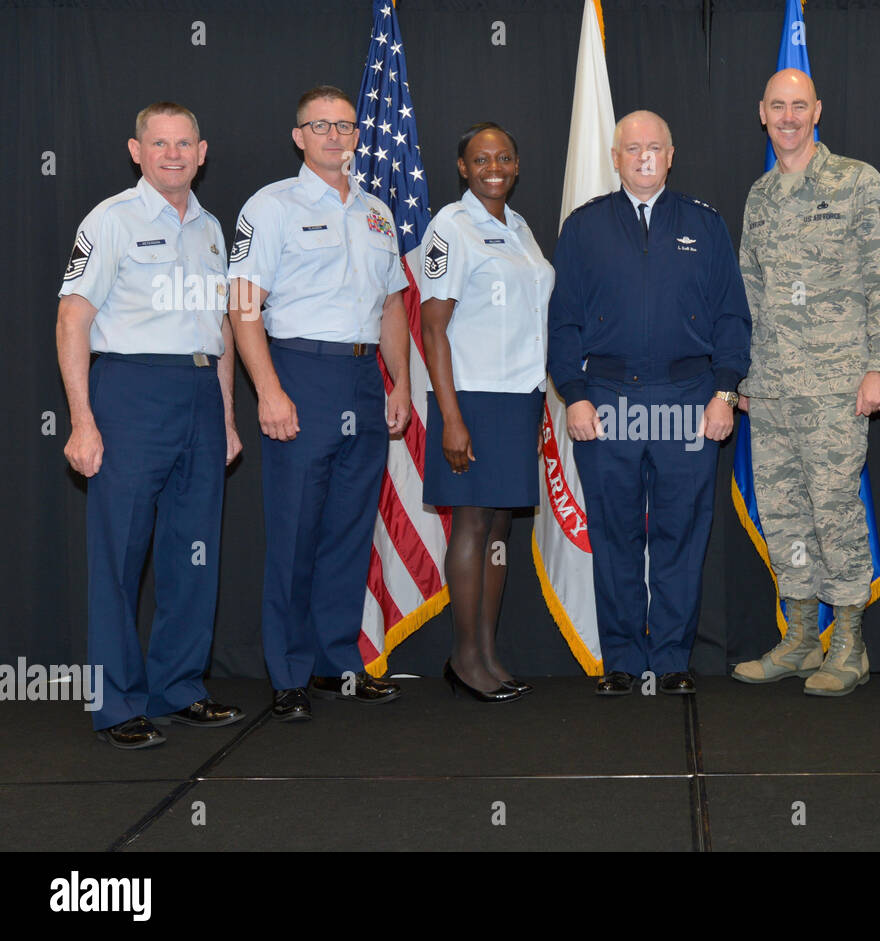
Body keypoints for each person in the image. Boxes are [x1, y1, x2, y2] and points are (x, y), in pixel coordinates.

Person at [57, 102, 243, 748]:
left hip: (198, 393)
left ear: (202, 151)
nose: (172, 153)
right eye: (158, 143)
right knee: (120, 554)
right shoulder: (110, 221)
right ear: (136, 151)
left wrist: (225, 415)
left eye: (183, 143)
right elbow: (72, 321)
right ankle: (116, 704)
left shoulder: (214, 229)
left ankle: (180, 686)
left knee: (193, 551)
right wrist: (82, 419)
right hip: (130, 392)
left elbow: (221, 327)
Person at [548, 110, 751, 696]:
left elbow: (732, 319)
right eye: (631, 147)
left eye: (654, 147)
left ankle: (670, 659)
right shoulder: (583, 228)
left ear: (671, 154)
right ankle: (621, 659)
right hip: (606, 399)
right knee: (614, 535)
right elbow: (563, 324)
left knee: (681, 535)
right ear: (615, 157)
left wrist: (724, 393)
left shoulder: (705, 225)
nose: (643, 156)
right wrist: (576, 395)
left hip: (689, 400)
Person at [229, 85, 412, 722]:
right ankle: (288, 672)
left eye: (346, 125)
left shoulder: (378, 212)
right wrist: (269, 389)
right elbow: (244, 304)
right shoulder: (271, 207)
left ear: (358, 135)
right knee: (295, 530)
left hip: (365, 382)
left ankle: (339, 663)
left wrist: (402, 383)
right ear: (298, 136)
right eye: (321, 126)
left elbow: (391, 304)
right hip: (300, 374)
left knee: (348, 529)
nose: (336, 136)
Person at [731, 69, 880, 696]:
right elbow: (749, 296)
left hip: (838, 386)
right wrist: (745, 379)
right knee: (785, 516)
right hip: (774, 389)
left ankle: (850, 645)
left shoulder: (858, 183)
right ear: (762, 113)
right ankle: (801, 638)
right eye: (777, 106)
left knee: (835, 514)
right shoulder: (759, 196)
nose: (788, 116)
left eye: (799, 106)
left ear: (818, 112)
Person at [416, 123, 552, 704]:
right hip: (470, 397)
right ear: (463, 168)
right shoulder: (451, 226)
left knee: (498, 529)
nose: (492, 166)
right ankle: (464, 657)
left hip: (518, 399)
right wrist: (451, 416)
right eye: (480, 159)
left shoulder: (518, 228)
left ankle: (487, 653)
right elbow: (433, 327)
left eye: (503, 157)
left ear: (516, 166)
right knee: (472, 524)